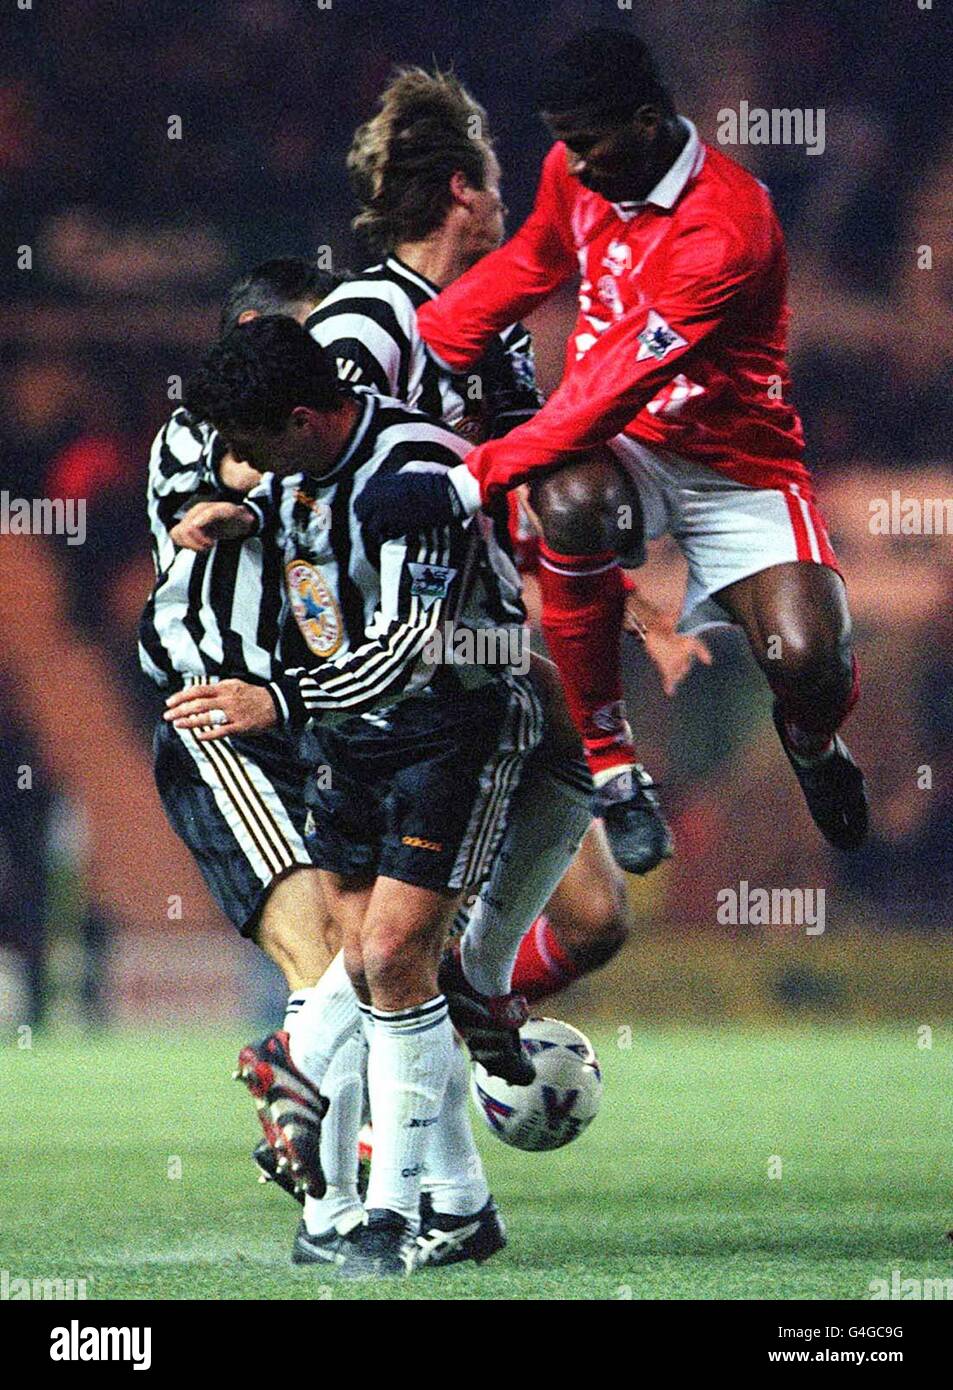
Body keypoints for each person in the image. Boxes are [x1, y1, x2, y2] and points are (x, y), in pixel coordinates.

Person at [356, 28, 869, 856]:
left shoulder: (727, 227)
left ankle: (812, 740)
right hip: (621, 445)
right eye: (564, 144)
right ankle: (612, 768)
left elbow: (613, 383)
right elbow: (535, 261)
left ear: (645, 119)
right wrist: (429, 336)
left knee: (809, 658)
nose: (573, 163)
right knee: (571, 499)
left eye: (587, 143)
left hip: (734, 466)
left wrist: (467, 481)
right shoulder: (577, 168)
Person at [165, 316, 549, 1278]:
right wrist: (247, 516)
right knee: (370, 963)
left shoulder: (411, 475)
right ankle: (458, 1208)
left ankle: (383, 1210)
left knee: (391, 952)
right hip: (351, 734)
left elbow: (410, 650)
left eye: (251, 450)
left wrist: (278, 700)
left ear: (301, 417)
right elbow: (316, 538)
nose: (240, 465)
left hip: (450, 722)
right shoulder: (299, 464)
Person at [139, 258, 368, 1243]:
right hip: (218, 724)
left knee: (371, 959)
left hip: (315, 723)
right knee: (323, 951)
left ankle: (377, 1182)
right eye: (295, 338)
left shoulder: (336, 458)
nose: (315, 364)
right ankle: (334, 1205)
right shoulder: (195, 432)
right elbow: (223, 482)